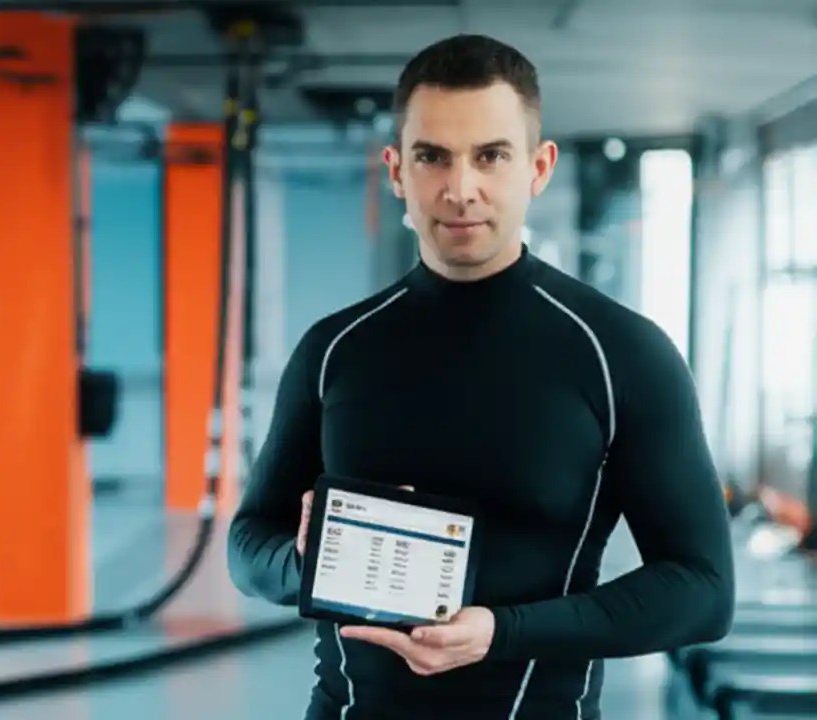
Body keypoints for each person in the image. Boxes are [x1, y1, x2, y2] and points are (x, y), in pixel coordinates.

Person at [226, 33, 735, 720]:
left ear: (539, 166)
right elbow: (248, 542)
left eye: (490, 156)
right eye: (432, 156)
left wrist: (502, 633)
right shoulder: (335, 349)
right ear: (397, 169)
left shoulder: (620, 354)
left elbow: (703, 590)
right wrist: (305, 561)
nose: (460, 189)